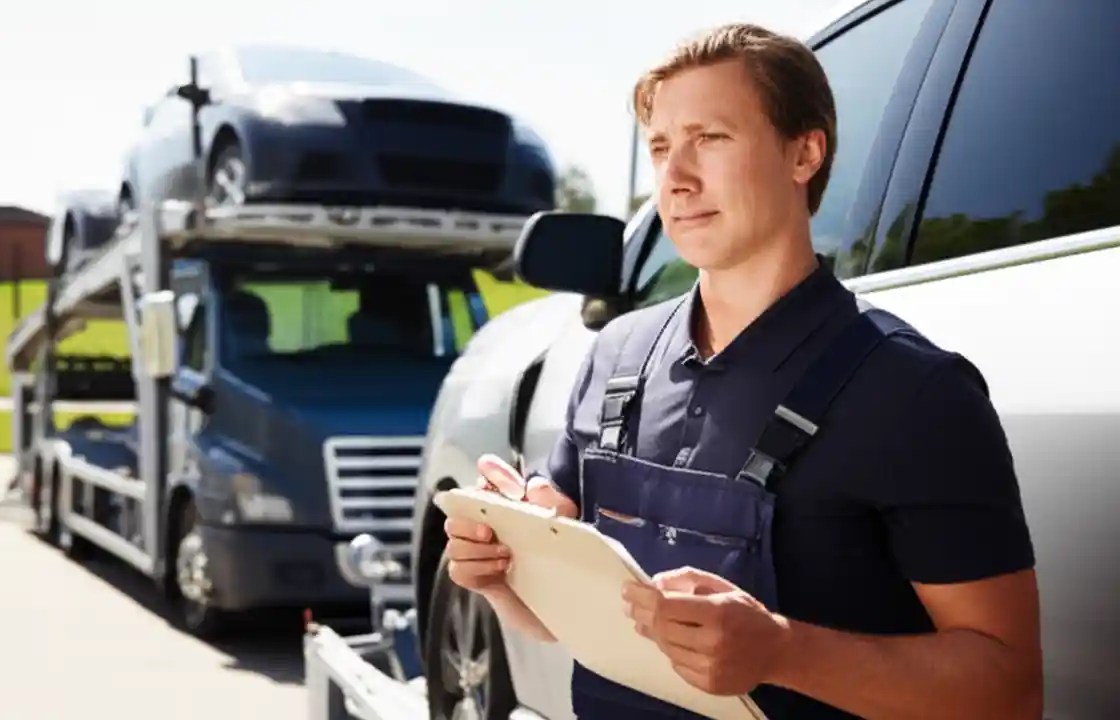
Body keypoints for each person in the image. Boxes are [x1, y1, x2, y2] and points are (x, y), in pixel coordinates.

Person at [443, 23, 1042, 720]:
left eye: (711, 139)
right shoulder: (615, 357)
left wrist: (781, 652)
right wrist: (504, 574)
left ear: (804, 153)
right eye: (662, 147)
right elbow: (568, 622)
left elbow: (1010, 691)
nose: (676, 177)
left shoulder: (914, 393)